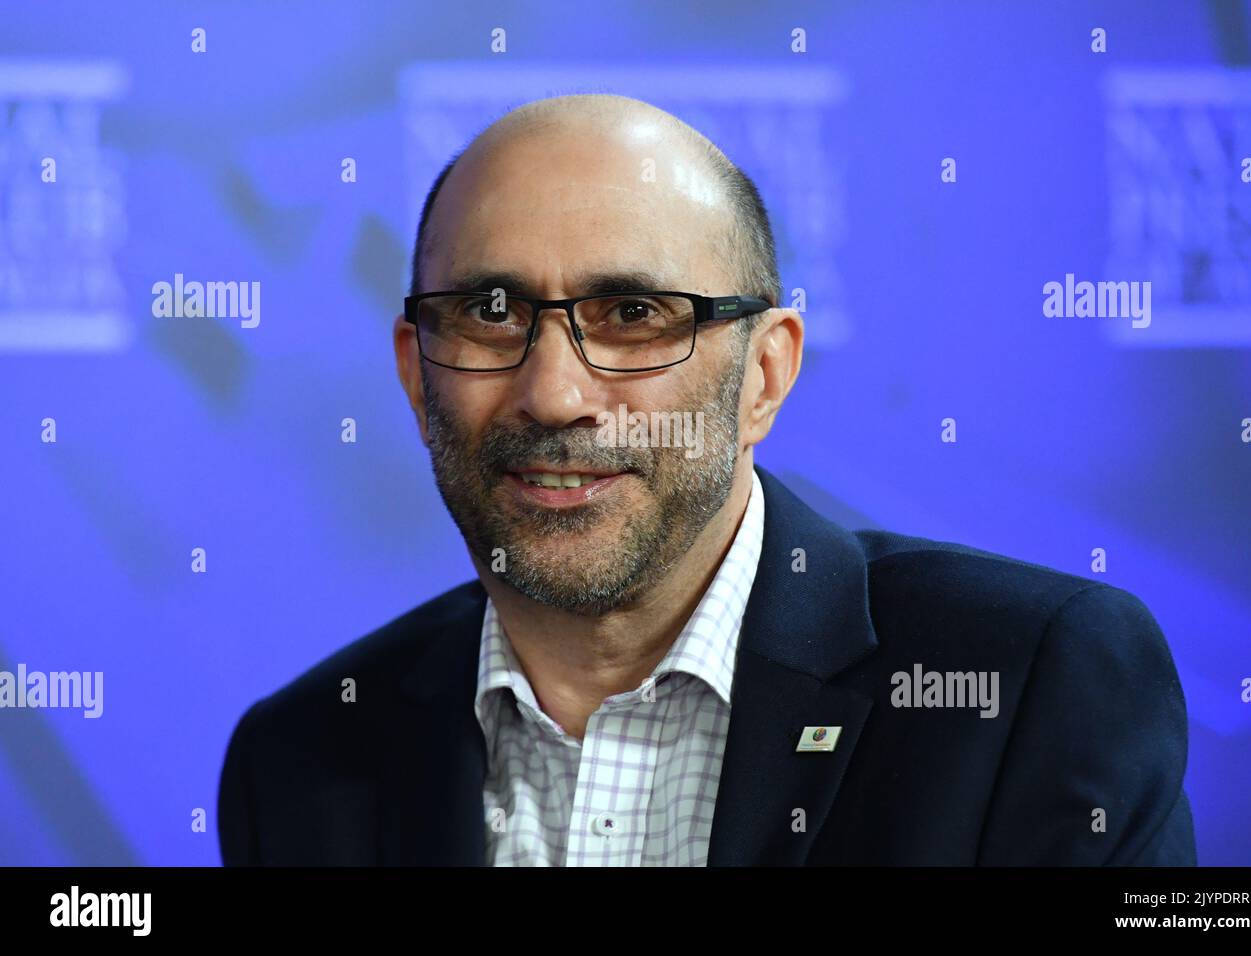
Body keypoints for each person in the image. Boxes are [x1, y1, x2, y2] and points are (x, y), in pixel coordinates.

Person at [217, 93, 1195, 866]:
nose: (554, 393)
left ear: (763, 374)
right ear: (412, 368)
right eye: (487, 310)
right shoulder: (302, 754)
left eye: (634, 312)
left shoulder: (1029, 682)